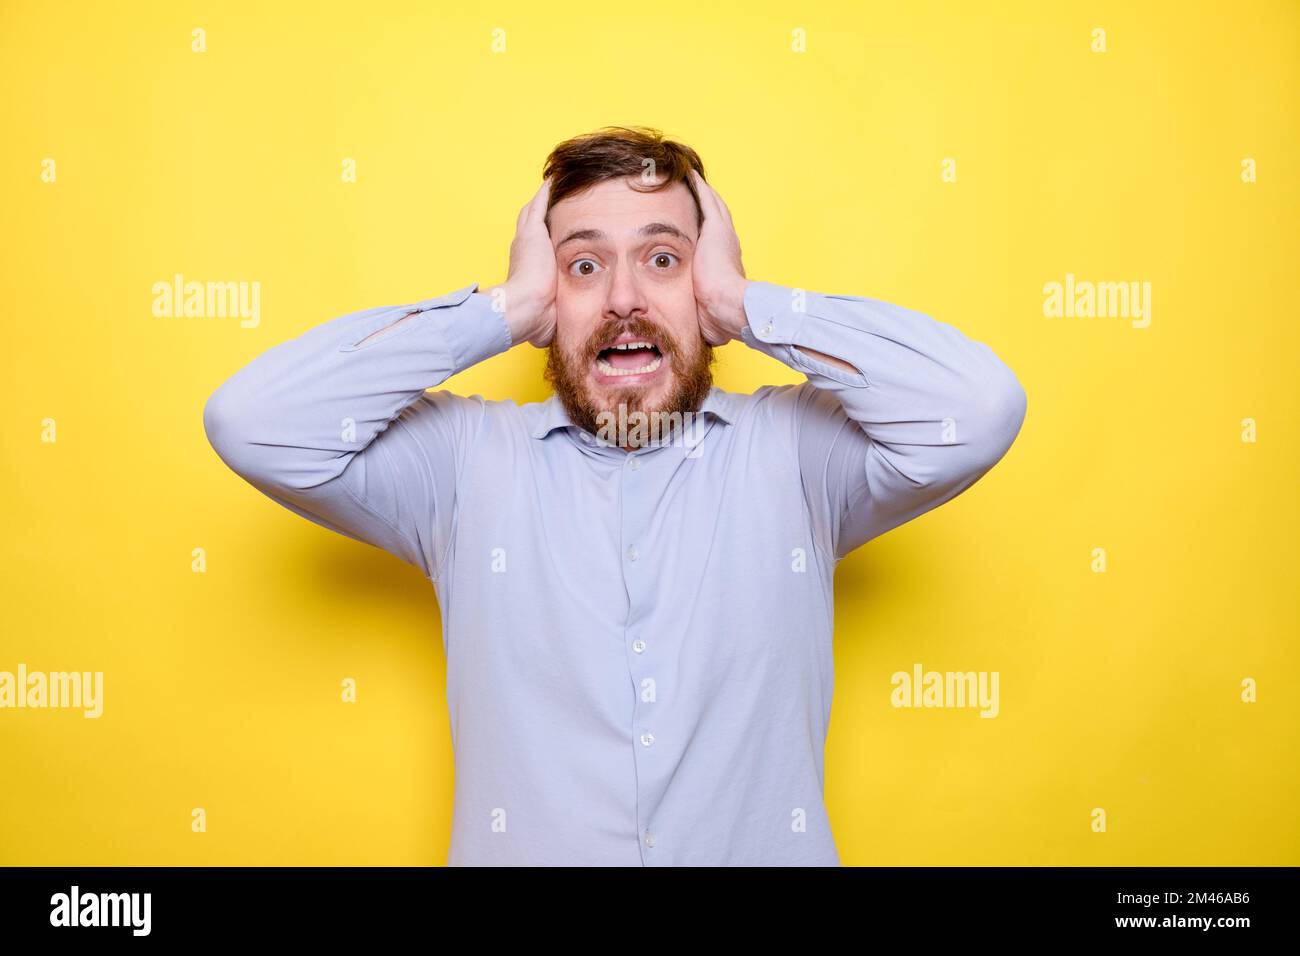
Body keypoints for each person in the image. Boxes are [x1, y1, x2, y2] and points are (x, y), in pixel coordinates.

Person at [203, 125, 1028, 866]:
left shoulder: (799, 455)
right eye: (583, 266)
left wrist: (746, 303)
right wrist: (501, 308)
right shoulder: (460, 467)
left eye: (663, 259)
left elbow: (976, 408)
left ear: (703, 286)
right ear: (546, 301)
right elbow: (254, 421)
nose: (625, 299)